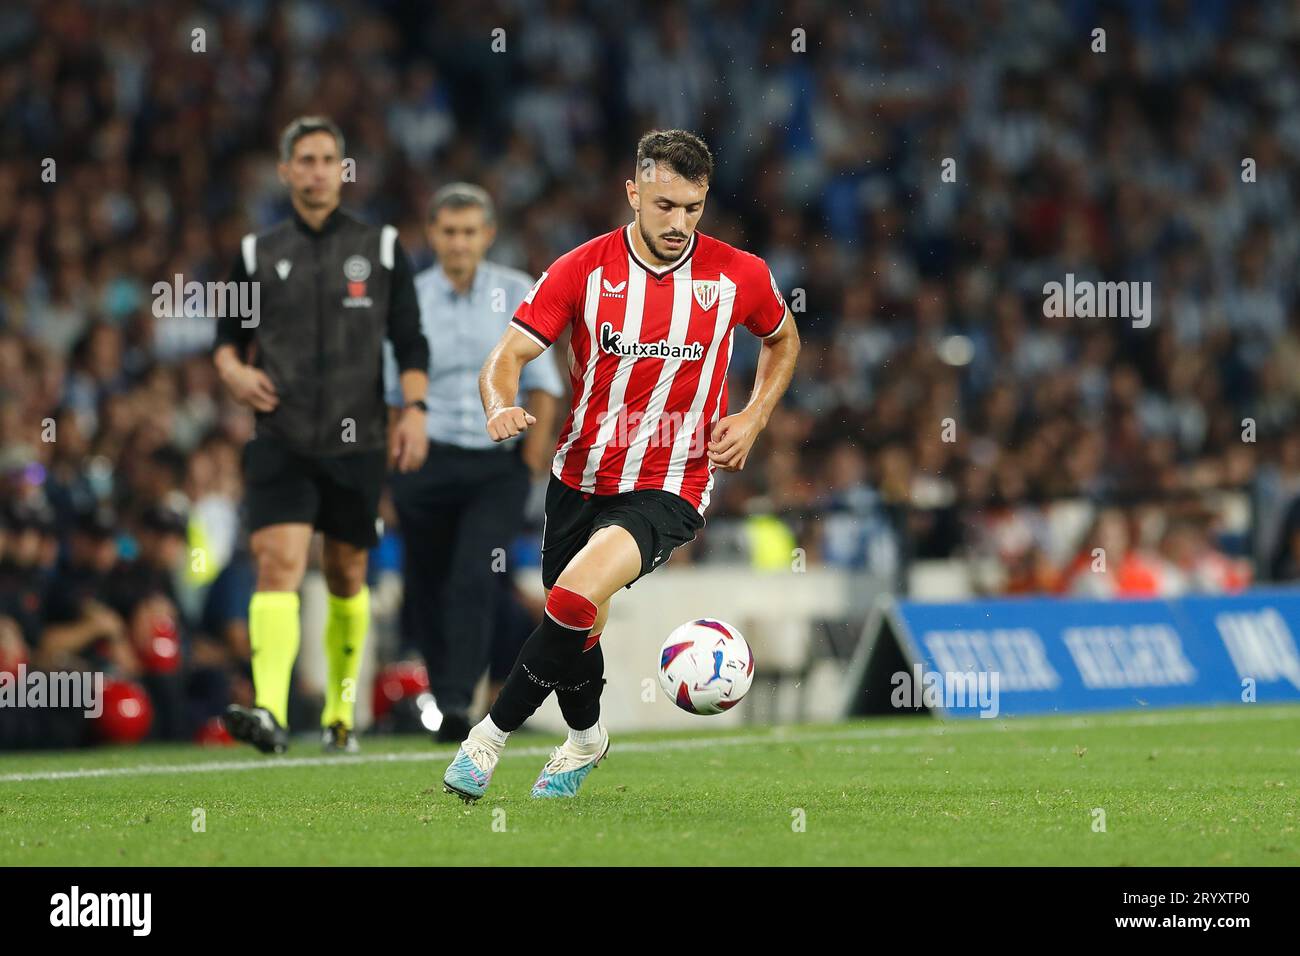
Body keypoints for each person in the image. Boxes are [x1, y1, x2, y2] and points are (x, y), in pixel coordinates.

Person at [442, 129, 800, 800]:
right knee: (576, 623)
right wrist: (498, 405)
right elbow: (508, 356)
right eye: (665, 205)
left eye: (693, 208)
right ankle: (585, 740)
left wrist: (753, 416)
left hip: (673, 482)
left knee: (573, 597)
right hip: (579, 476)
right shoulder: (583, 269)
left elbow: (783, 338)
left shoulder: (738, 274)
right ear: (634, 192)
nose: (679, 223)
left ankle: (485, 741)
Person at [213, 116, 431, 754]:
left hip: (358, 440)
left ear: (343, 169)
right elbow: (227, 344)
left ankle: (340, 714)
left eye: (326, 159)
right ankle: (272, 714)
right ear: (285, 171)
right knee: (276, 563)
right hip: (280, 435)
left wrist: (413, 409)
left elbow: (409, 339)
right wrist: (232, 374)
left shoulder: (383, 246)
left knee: (345, 570)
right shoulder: (257, 253)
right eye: (303, 160)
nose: (315, 170)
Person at [386, 183, 563, 743]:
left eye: (469, 231)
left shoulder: (517, 291)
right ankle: (450, 696)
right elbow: (391, 394)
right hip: (425, 461)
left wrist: (531, 458)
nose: (459, 242)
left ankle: (460, 703)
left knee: (473, 575)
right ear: (432, 235)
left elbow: (543, 381)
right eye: (448, 231)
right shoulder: (408, 297)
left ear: (487, 235)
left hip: (494, 464)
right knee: (426, 585)